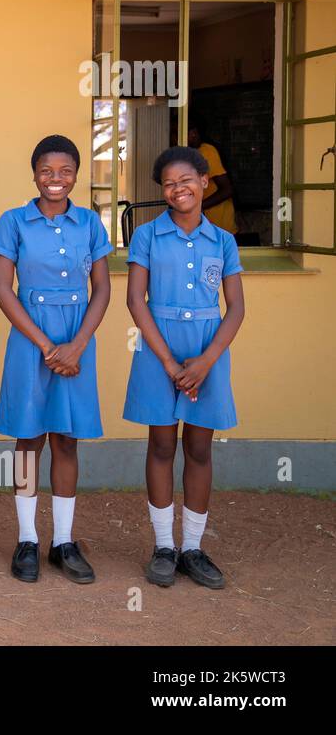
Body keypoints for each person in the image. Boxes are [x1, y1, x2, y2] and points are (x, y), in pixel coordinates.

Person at [0, 135, 111, 585]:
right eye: (46, 170)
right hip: (29, 337)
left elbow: (103, 289)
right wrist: (46, 346)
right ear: (34, 173)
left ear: (77, 174)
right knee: (28, 439)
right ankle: (26, 539)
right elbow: (2, 289)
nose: (55, 179)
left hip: (78, 335)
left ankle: (62, 541)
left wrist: (77, 345)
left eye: (64, 171)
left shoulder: (91, 225)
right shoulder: (13, 221)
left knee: (66, 439)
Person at [124, 147, 244, 590]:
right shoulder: (148, 236)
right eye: (170, 184)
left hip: (208, 349)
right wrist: (171, 362)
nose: (179, 189)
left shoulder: (224, 241)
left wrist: (207, 360)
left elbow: (235, 309)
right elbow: (136, 300)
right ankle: (163, 546)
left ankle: (192, 547)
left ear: (205, 181)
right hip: (159, 348)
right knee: (160, 445)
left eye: (186, 180)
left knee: (198, 448)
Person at [187, 123, 237, 235]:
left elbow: (227, 189)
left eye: (177, 132)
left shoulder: (206, 152)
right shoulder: (188, 156)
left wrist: (198, 207)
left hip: (219, 225)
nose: (173, 137)